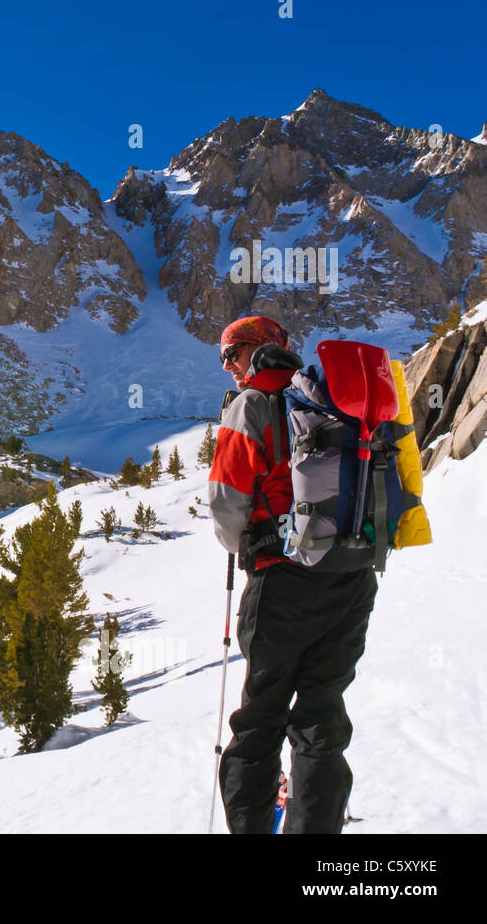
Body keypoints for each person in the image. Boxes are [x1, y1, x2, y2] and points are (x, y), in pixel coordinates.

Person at [207, 315, 378, 833]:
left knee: (259, 722)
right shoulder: (335, 401)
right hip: (351, 578)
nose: (229, 367)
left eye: (233, 354)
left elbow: (225, 502)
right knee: (322, 718)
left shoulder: (252, 404)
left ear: (259, 351)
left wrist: (247, 545)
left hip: (281, 581)